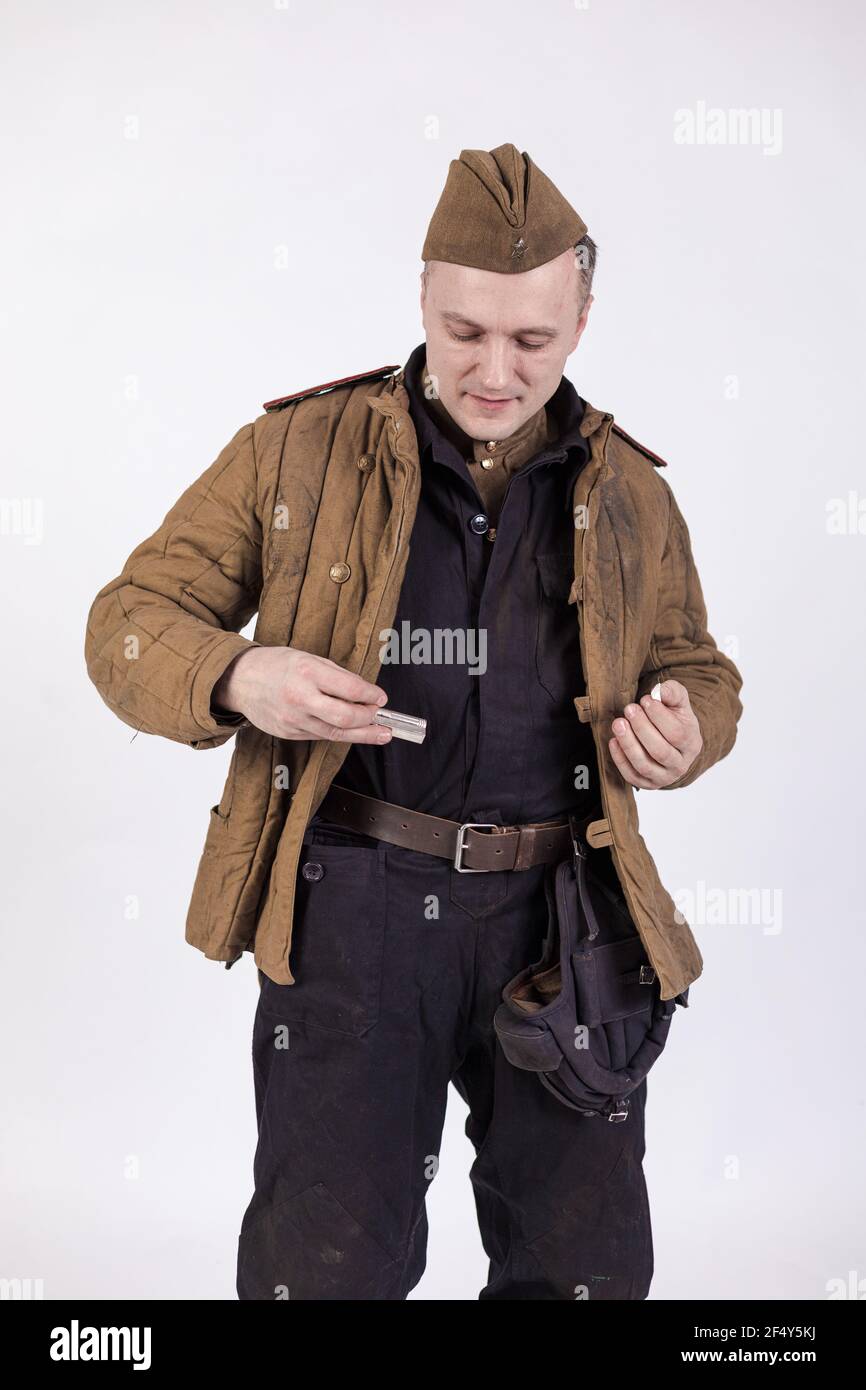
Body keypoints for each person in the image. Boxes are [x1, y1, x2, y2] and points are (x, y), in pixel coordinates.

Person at [85, 142, 743, 1300]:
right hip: (356, 910)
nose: (493, 369)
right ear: (424, 301)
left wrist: (688, 731)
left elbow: (696, 665)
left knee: (582, 1267)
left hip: (564, 921)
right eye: (463, 332)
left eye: (531, 340)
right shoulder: (295, 448)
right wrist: (242, 676)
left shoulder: (630, 489)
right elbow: (130, 619)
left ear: (581, 320)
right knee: (325, 1266)